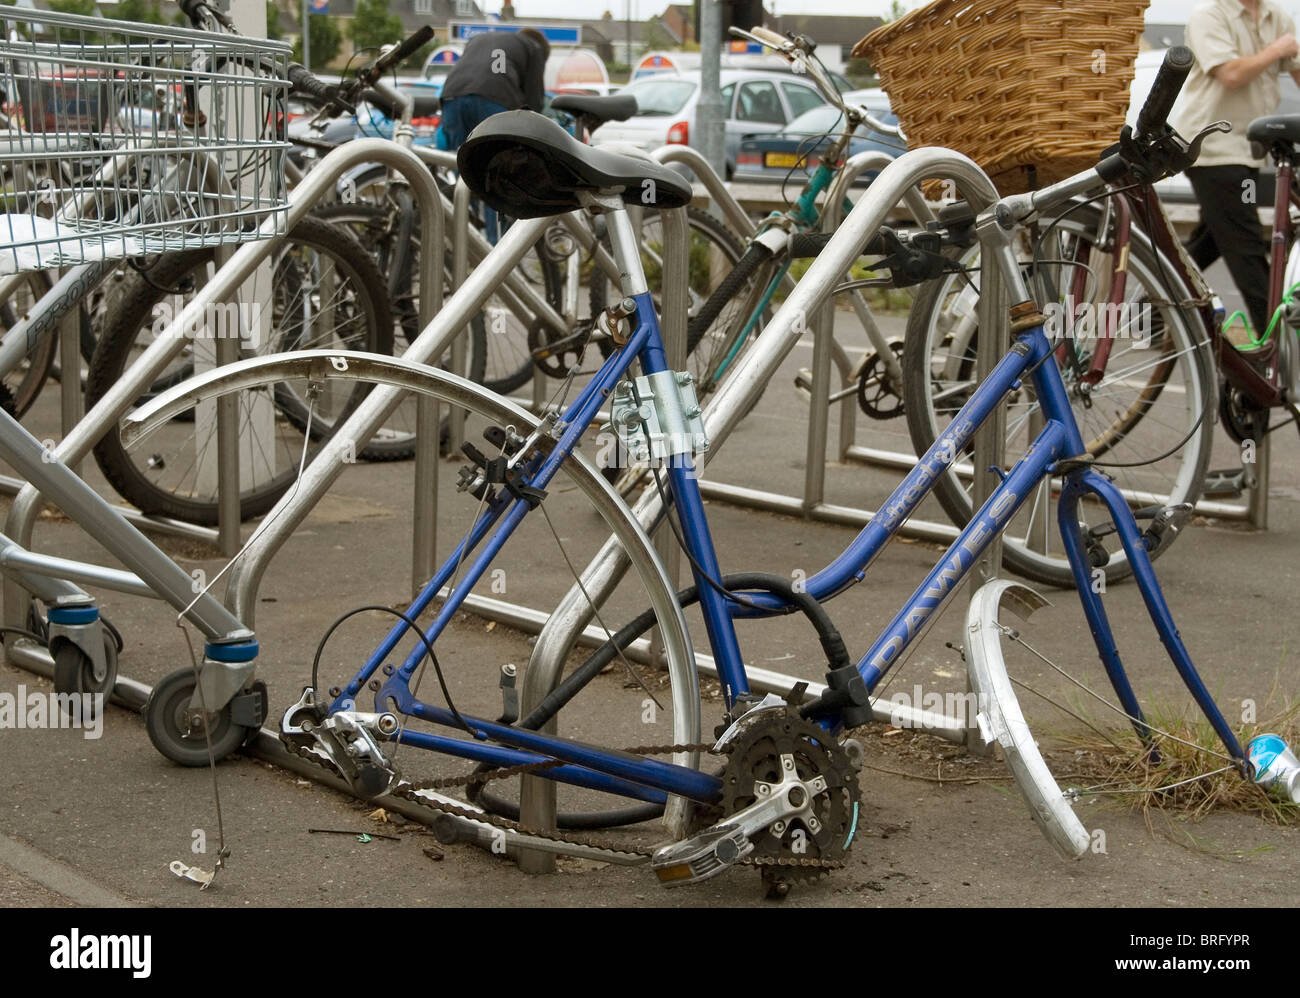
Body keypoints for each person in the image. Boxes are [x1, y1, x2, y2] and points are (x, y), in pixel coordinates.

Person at [1173, 0, 1300, 339]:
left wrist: (1287, 53)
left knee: (1213, 239)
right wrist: (1277, 49)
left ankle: (1151, 313)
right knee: (1245, 247)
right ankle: (1275, 338)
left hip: (1249, 153)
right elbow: (1230, 74)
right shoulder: (1208, 16)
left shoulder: (1279, 18)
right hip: (1212, 149)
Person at [437, 27, 550, 150]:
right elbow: (534, 96)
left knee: (458, 157)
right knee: (497, 156)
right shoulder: (535, 47)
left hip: (451, 96)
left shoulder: (478, 39)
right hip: (494, 98)